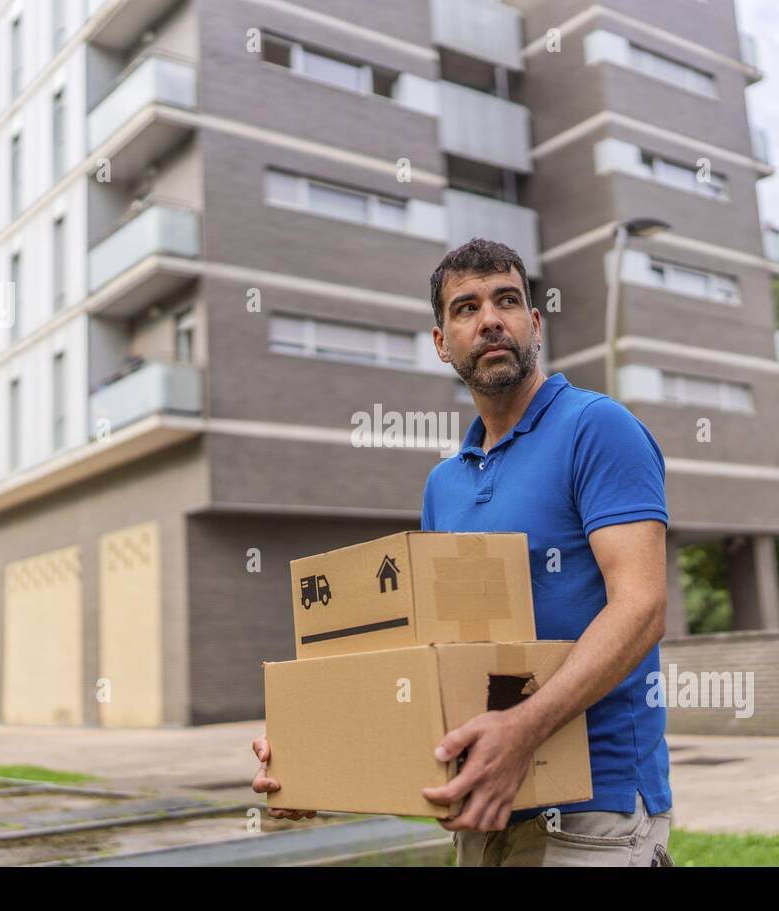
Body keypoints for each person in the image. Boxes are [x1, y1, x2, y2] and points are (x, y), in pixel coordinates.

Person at [253, 238, 674, 866]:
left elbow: (641, 606)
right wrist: (318, 755)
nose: (490, 320)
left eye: (507, 301)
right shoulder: (444, 483)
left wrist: (523, 728)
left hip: (591, 810)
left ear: (533, 323)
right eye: (466, 307)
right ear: (441, 341)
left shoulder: (597, 428)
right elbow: (428, 662)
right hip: (480, 808)